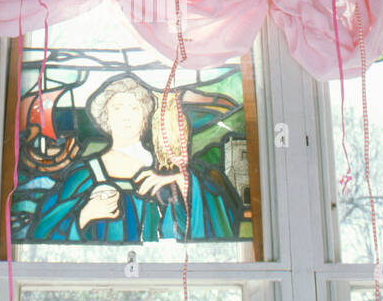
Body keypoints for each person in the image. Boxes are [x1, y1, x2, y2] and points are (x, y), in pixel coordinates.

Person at [24, 75, 243, 242]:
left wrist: (182, 182)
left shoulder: (168, 169)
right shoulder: (84, 174)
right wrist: (84, 215)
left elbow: (214, 217)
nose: (126, 116)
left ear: (146, 117)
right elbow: (43, 230)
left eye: (134, 108)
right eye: (117, 108)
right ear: (105, 117)